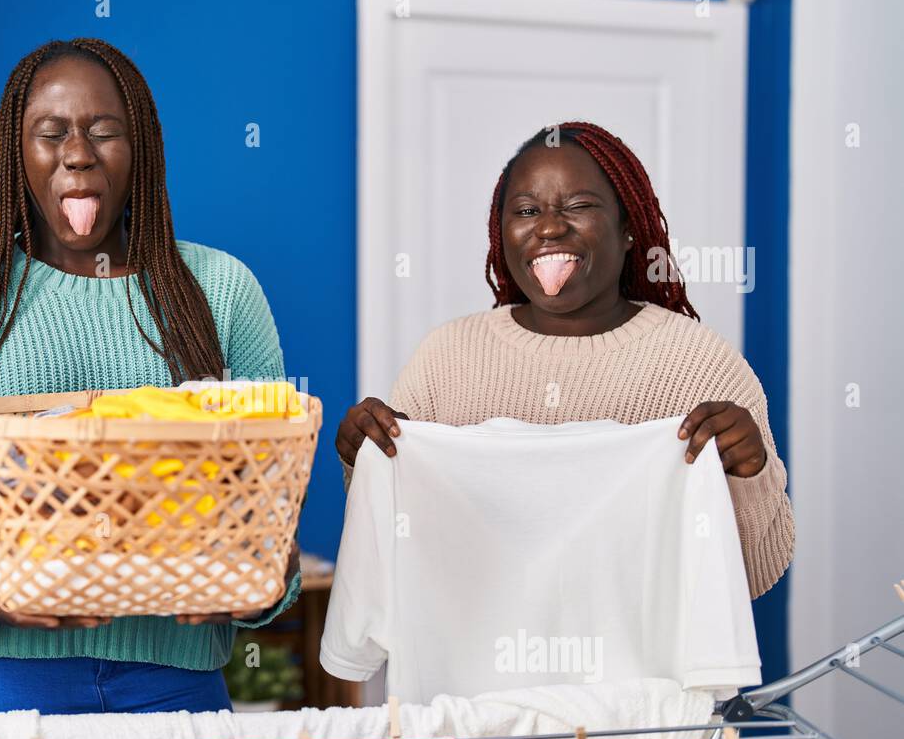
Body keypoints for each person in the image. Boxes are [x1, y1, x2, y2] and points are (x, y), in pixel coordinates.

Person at [0, 39, 300, 725]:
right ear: (14, 155)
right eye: (50, 134)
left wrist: (261, 582)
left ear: (140, 147)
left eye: (104, 131)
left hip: (173, 680)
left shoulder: (222, 292)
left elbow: (267, 503)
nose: (77, 153)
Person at [335, 121, 793, 600]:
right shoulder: (444, 359)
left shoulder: (701, 364)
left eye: (579, 206)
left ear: (629, 229)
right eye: (528, 210)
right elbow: (395, 553)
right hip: (473, 669)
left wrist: (748, 472)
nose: (550, 227)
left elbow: (752, 579)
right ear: (501, 232)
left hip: (647, 671)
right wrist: (368, 460)